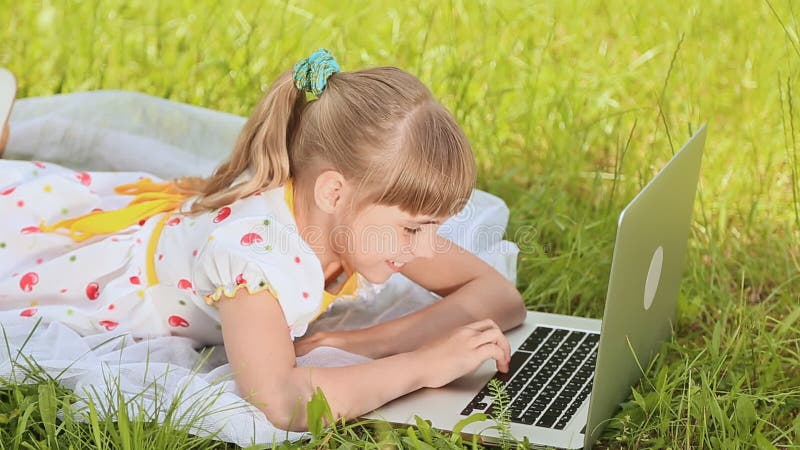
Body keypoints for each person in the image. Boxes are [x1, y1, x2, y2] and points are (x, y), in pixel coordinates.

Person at [0, 50, 526, 431]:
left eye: (432, 227)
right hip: (79, 269)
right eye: (415, 228)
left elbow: (499, 296)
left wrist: (364, 342)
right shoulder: (253, 259)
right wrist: (423, 365)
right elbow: (281, 401)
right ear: (334, 191)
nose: (426, 248)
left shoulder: (364, 220)